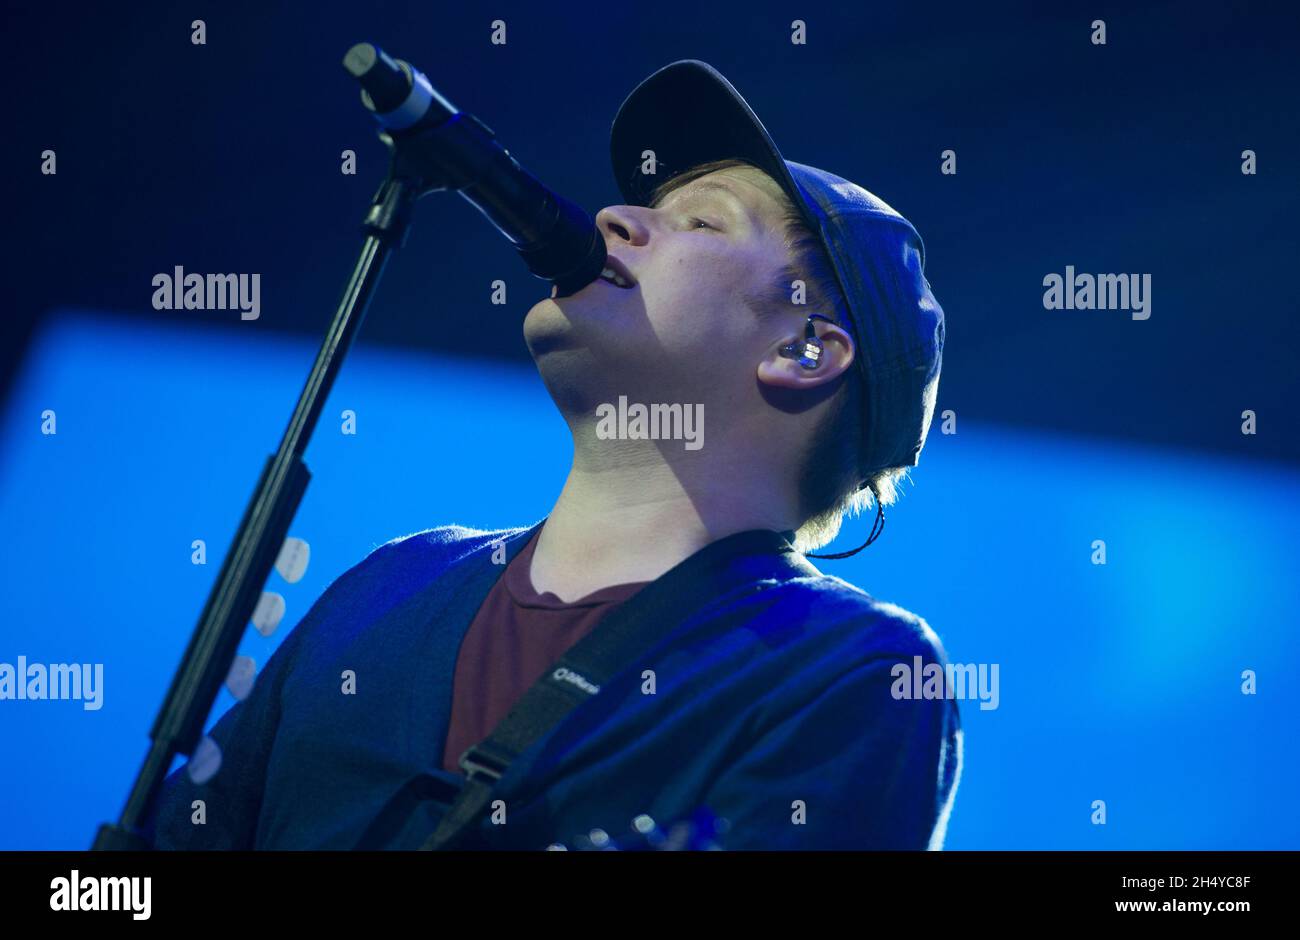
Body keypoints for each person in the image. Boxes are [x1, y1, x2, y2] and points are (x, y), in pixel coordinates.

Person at [144, 59, 958, 851]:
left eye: (701, 220)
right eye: (649, 206)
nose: (615, 219)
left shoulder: (851, 666)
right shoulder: (395, 580)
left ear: (806, 350)